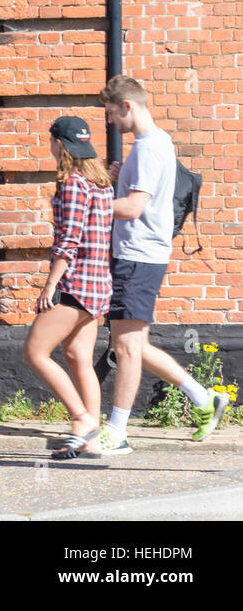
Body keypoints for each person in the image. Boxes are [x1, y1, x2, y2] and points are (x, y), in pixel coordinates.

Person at [98, 76, 231, 453]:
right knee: (136, 344)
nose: (110, 121)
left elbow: (134, 208)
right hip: (142, 256)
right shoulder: (155, 143)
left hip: (137, 258)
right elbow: (139, 198)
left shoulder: (148, 148)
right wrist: (115, 182)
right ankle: (205, 399)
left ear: (126, 106)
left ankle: (117, 432)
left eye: (110, 113)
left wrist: (89, 204)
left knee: (124, 348)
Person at [22, 116, 113, 459]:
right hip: (98, 284)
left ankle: (82, 419)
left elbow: (68, 241)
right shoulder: (103, 184)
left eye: (51, 142)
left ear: (59, 145)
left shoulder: (75, 184)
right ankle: (92, 440)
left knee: (34, 352)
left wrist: (50, 284)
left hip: (76, 284)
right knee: (78, 358)